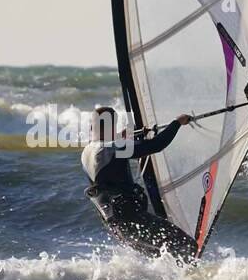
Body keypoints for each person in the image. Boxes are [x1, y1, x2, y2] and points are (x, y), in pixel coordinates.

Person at [81, 107, 198, 263]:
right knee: (187, 246)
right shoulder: (114, 148)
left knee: (166, 259)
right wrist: (177, 122)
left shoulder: (87, 152)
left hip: (116, 227)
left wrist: (123, 136)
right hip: (132, 219)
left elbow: (109, 160)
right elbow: (156, 145)